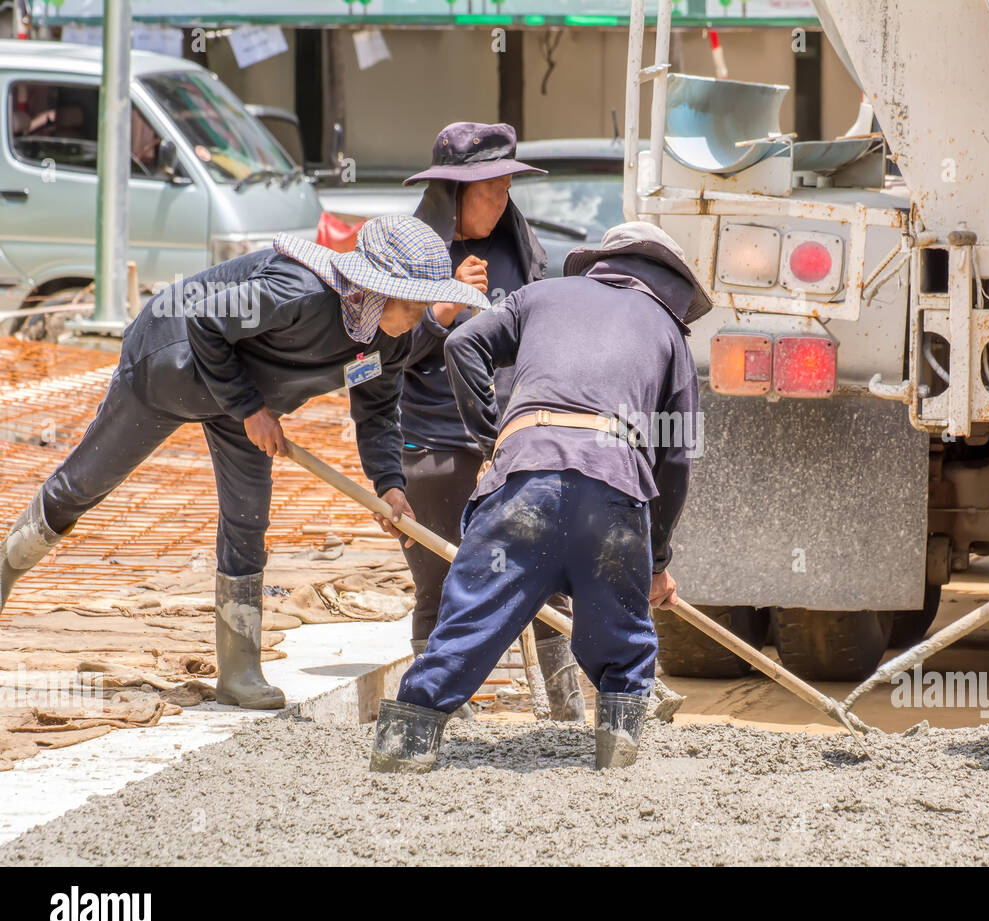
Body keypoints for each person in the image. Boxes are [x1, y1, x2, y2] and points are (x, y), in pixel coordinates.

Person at [0, 216, 488, 709]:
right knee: (85, 485)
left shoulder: (391, 340)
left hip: (246, 402)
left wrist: (389, 485)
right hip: (173, 370)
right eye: (411, 301)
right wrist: (251, 410)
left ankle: (238, 671)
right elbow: (206, 321)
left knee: (248, 517)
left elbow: (379, 411)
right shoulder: (297, 292)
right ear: (373, 286)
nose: (418, 314)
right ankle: (5, 568)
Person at [369, 221, 711, 773]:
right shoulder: (669, 334)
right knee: (621, 638)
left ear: (602, 262)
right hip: (613, 491)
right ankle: (617, 757)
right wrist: (656, 562)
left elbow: (462, 342)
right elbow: (676, 460)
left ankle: (401, 746)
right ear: (669, 286)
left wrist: (496, 438)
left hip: (522, 484)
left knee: (470, 621)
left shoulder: (540, 294)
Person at [398, 122, 585, 721]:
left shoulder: (516, 250)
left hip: (510, 438)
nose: (500, 199)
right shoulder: (405, 257)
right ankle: (440, 712)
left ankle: (564, 707)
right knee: (444, 577)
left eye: (506, 187)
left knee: (546, 572)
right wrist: (439, 313)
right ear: (452, 192)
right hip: (432, 442)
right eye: (487, 190)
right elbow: (369, 362)